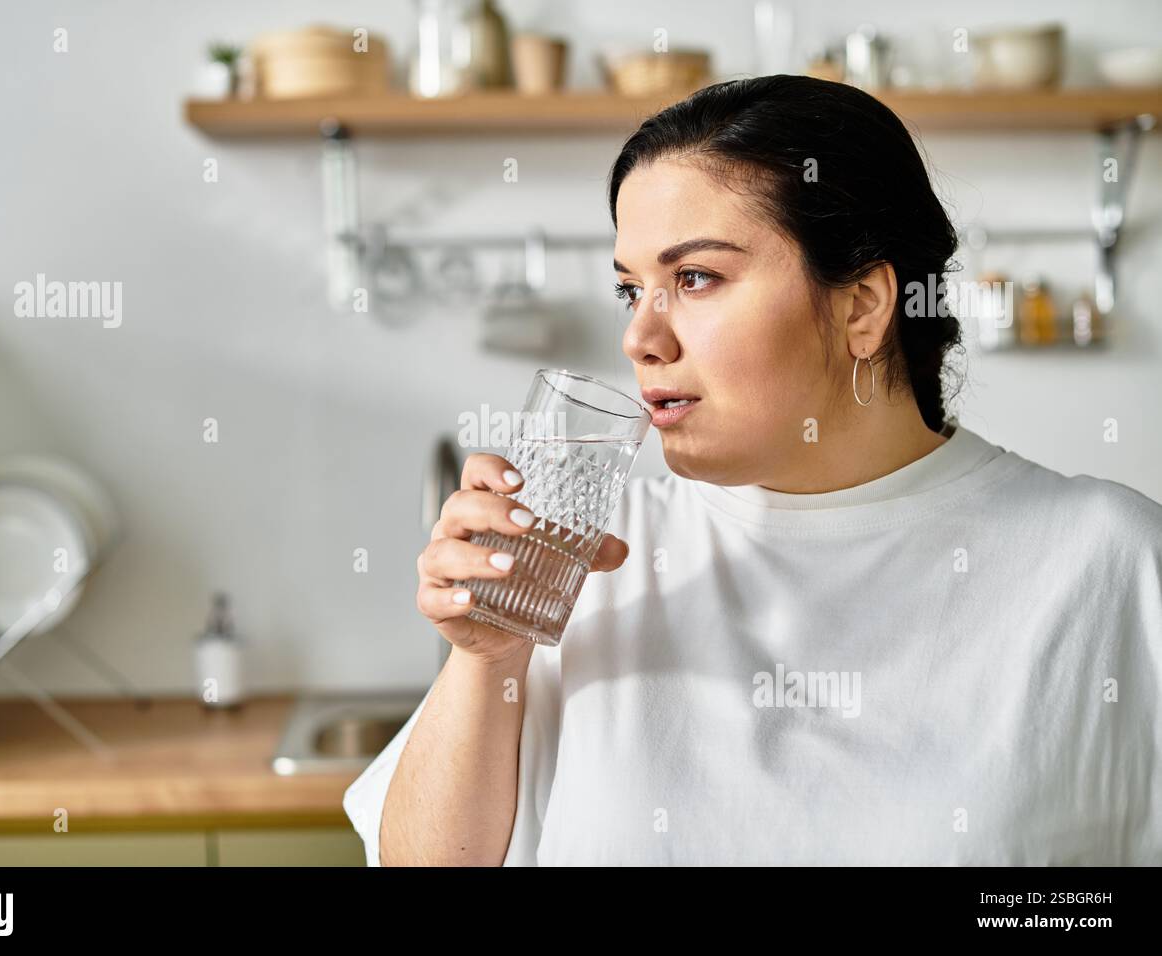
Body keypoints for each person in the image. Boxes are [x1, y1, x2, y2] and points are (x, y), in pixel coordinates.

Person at [343, 75, 1162, 865]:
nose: (640, 338)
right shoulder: (583, 560)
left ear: (864, 306)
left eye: (694, 278)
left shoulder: (1108, 563)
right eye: (633, 289)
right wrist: (488, 660)